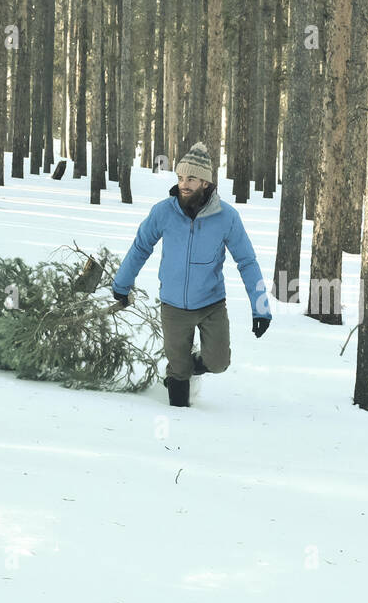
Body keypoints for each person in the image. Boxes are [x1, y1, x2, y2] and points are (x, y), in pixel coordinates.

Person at [110, 141, 271, 407]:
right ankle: (179, 428)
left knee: (219, 363)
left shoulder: (227, 217)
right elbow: (141, 246)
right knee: (178, 377)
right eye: (181, 177)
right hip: (173, 306)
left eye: (191, 179)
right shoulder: (164, 211)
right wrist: (122, 283)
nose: (183, 184)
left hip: (211, 304)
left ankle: (189, 366)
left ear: (206, 183)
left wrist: (261, 308)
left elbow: (247, 262)